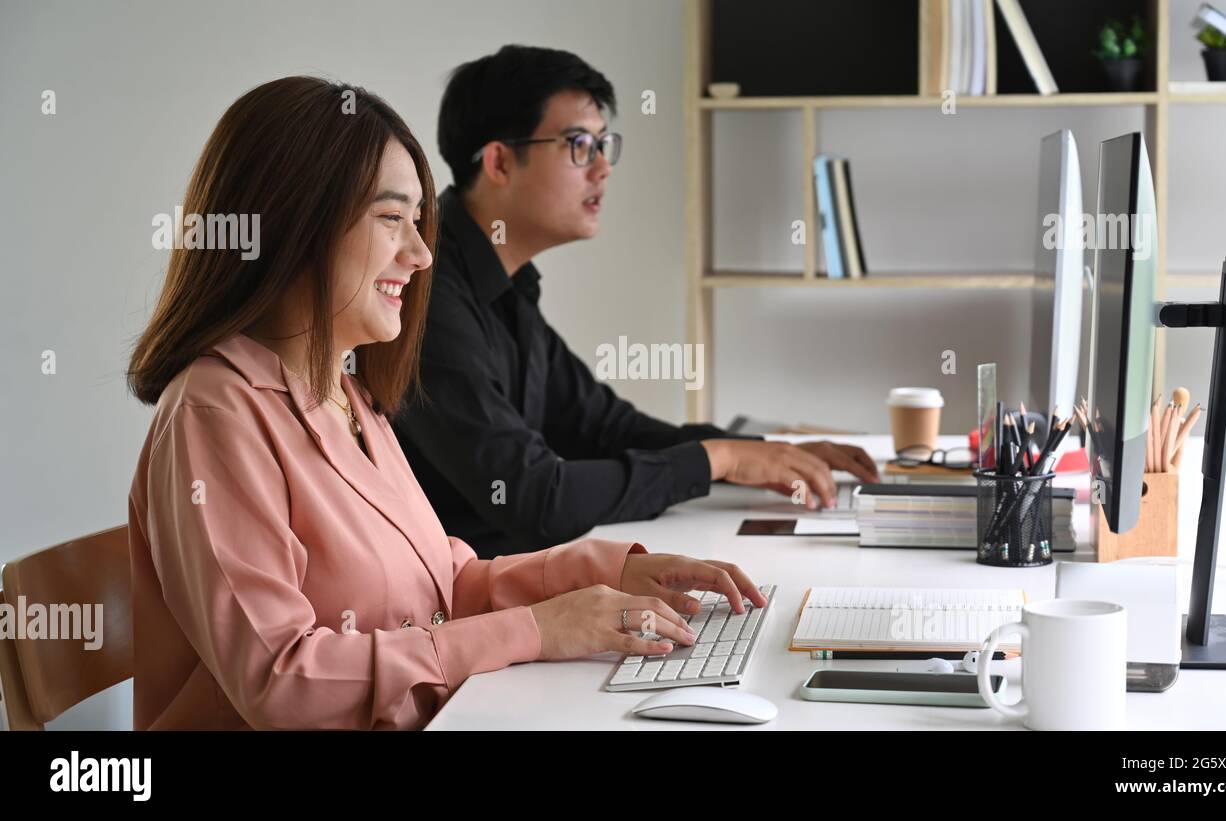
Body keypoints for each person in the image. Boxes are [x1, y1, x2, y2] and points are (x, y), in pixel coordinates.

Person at [125, 76, 765, 730]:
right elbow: (281, 682)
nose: (421, 253)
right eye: (391, 218)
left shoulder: (348, 394)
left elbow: (445, 585)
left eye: (419, 222)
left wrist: (612, 573)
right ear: (297, 224)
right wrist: (536, 630)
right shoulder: (213, 413)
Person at [394, 45, 879, 558]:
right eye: (579, 144)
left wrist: (767, 455)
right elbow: (534, 497)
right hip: (453, 611)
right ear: (499, 161)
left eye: (605, 145)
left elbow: (604, 428)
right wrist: (717, 460)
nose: (603, 168)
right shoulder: (426, 288)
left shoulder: (508, 287)